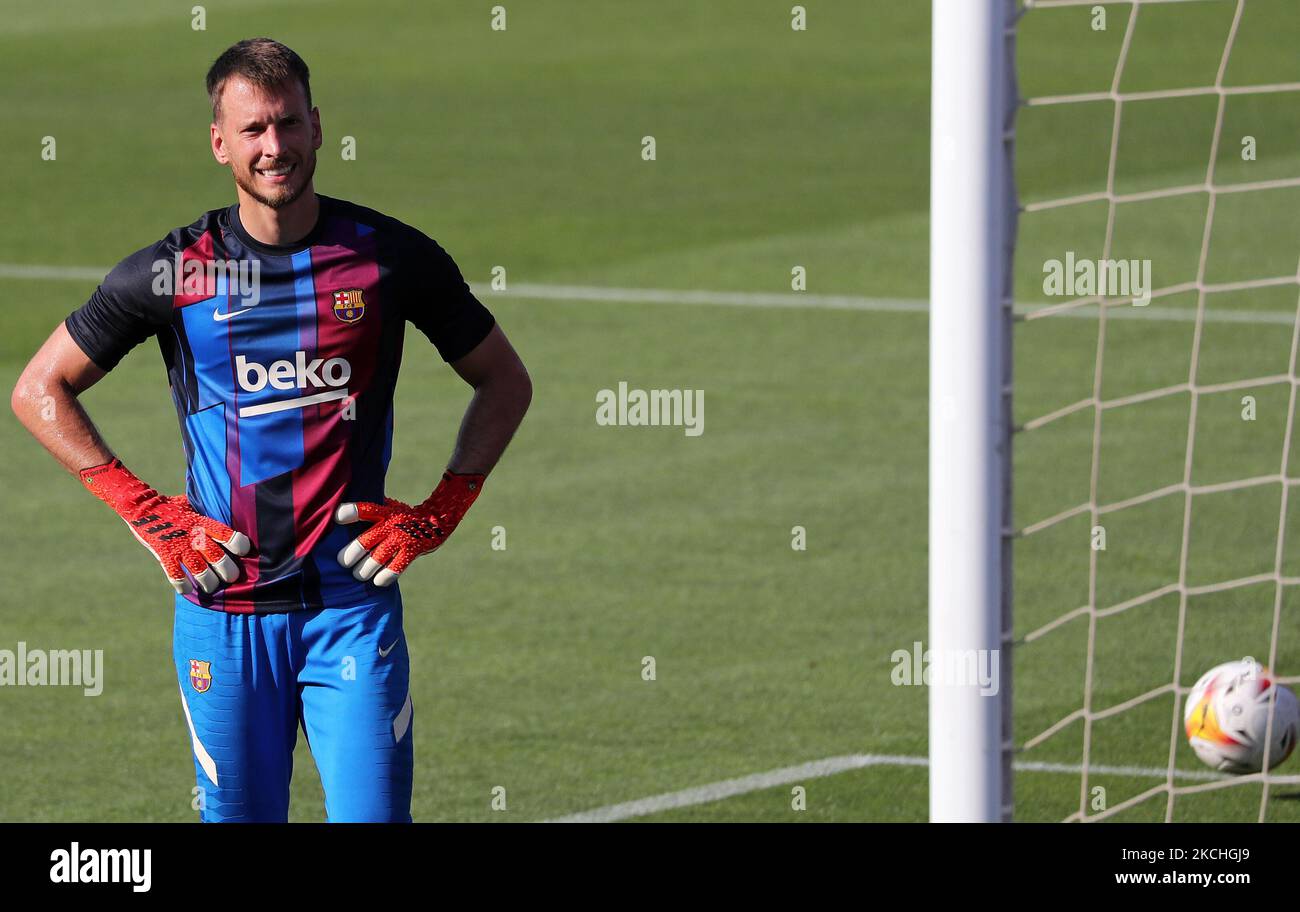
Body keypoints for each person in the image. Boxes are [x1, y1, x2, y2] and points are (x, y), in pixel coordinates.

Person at [9, 37, 532, 822]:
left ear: (318, 126)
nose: (275, 147)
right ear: (219, 142)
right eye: (253, 129)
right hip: (224, 614)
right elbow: (38, 390)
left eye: (288, 123)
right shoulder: (174, 272)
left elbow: (505, 381)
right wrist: (147, 513)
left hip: (350, 613)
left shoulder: (388, 257)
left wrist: (438, 514)